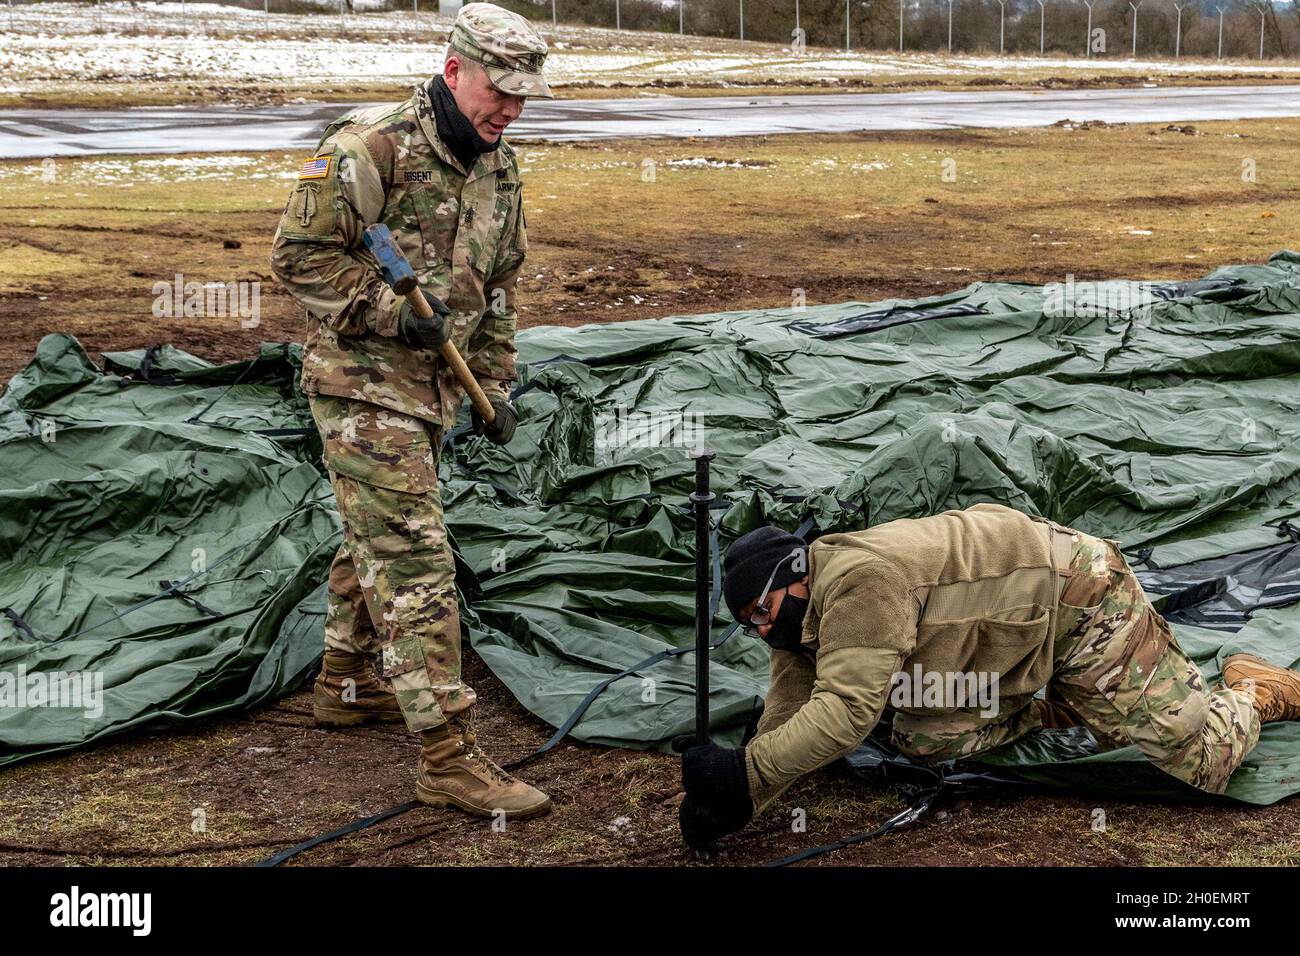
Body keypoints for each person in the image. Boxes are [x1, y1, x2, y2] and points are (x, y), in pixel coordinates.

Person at [270, 3, 552, 820]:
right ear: (453, 69)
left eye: (524, 97)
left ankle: (347, 684)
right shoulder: (372, 147)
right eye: (499, 92)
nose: (510, 110)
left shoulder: (502, 168)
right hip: (361, 386)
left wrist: (493, 385)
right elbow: (296, 258)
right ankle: (447, 756)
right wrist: (390, 313)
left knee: (377, 535)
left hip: (433, 391)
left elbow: (498, 288)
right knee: (415, 558)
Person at [678, 502, 1300, 848]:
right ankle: (1071, 699)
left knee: (1198, 758)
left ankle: (1251, 688)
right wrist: (741, 801)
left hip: (1078, 594)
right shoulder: (799, 611)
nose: (761, 630)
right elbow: (793, 704)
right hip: (1003, 635)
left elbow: (843, 713)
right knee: (925, 735)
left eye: (762, 611)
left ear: (796, 575)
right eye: (747, 623)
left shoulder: (859, 583)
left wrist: (746, 771)